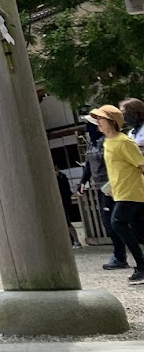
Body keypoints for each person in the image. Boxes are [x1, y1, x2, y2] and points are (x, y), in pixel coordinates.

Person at [89, 104, 144, 285]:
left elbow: (141, 165)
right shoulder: (107, 142)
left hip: (133, 191)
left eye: (101, 119)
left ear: (111, 122)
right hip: (120, 192)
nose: (97, 122)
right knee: (138, 231)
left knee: (118, 223)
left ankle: (142, 267)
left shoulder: (124, 142)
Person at [79, 119, 128, 270]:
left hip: (113, 186)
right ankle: (120, 255)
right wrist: (83, 181)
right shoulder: (91, 143)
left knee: (118, 222)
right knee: (109, 223)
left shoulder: (107, 141)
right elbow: (89, 163)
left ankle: (123, 256)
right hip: (100, 187)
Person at [55, 166, 81, 248]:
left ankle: (76, 241)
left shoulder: (60, 177)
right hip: (65, 200)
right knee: (66, 223)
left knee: (66, 223)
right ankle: (74, 241)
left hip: (62, 201)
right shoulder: (62, 175)